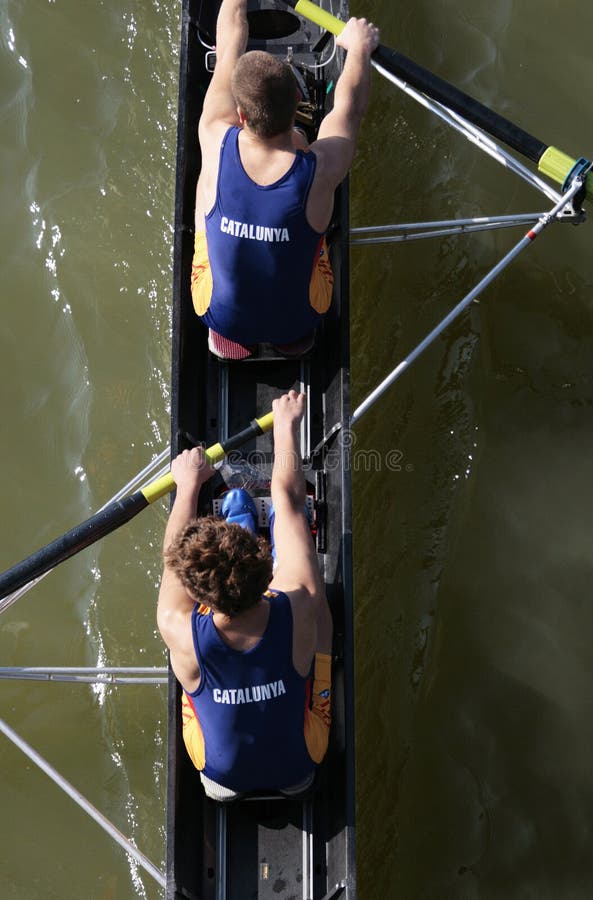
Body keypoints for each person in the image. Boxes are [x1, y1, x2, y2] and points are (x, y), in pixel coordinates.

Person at [157, 390, 333, 799]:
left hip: (220, 777)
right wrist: (286, 426)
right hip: (301, 768)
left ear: (199, 591)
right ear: (264, 566)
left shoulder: (175, 625)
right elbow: (289, 499)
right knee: (322, 616)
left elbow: (171, 560)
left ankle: (238, 517)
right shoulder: (300, 595)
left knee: (183, 662)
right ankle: (257, 526)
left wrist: (186, 486)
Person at [191, 0, 380, 359]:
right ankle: (286, 340)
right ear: (296, 103)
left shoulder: (214, 135)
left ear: (242, 115)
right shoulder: (322, 167)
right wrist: (358, 48)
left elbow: (230, 40)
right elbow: (350, 108)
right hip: (301, 321)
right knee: (315, 209)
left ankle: (235, 342)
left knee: (206, 194)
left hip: (221, 318)